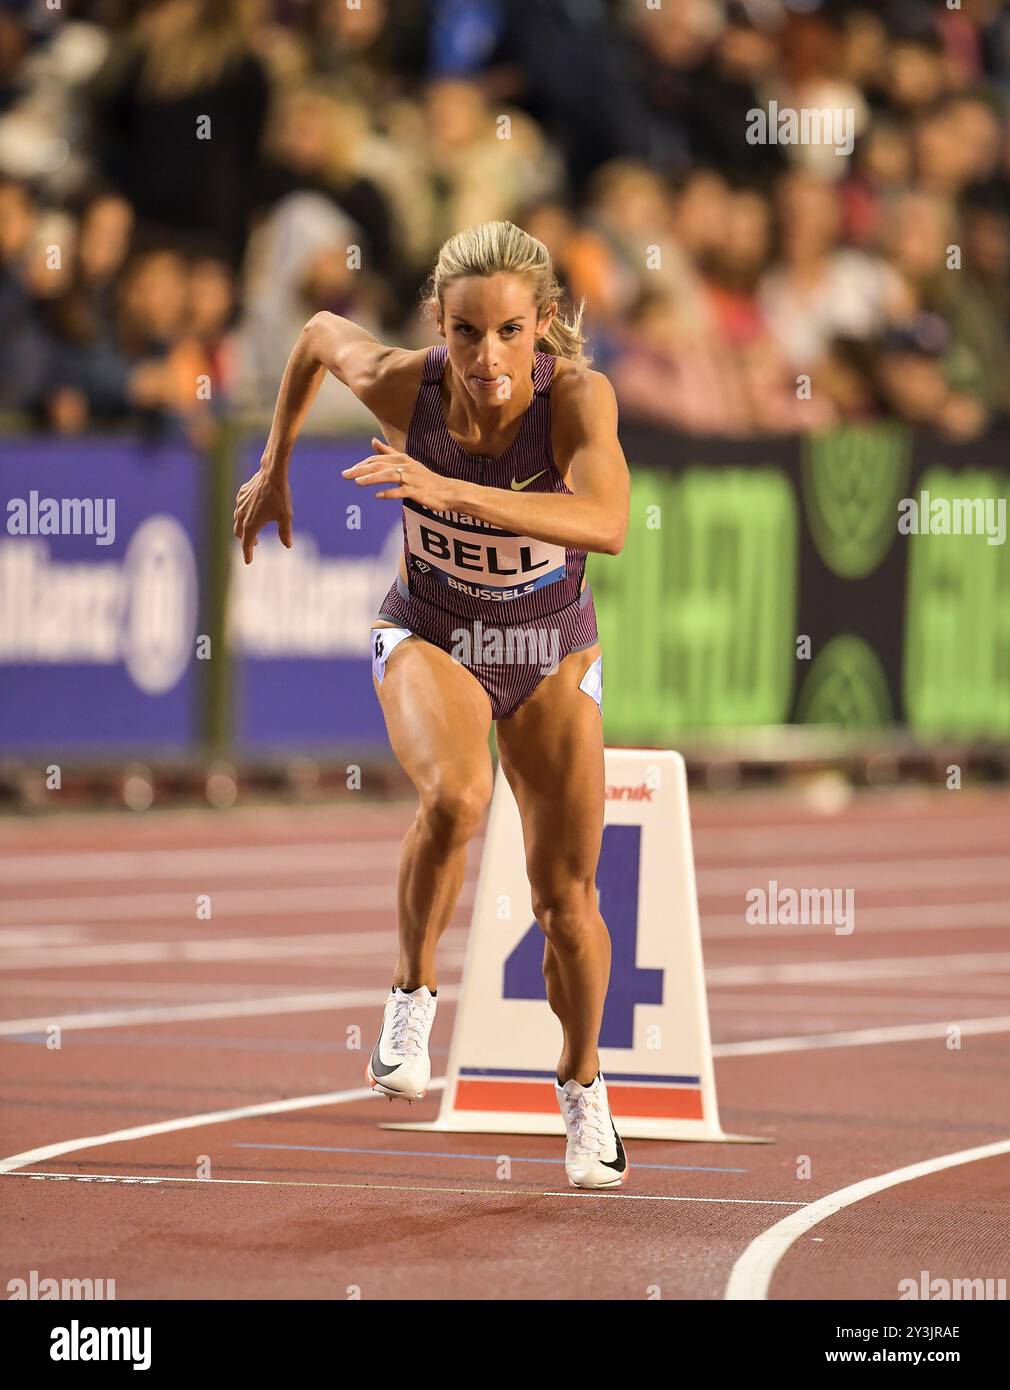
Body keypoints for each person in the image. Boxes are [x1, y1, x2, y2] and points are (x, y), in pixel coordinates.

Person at [233, 220, 631, 1188]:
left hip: (547, 654)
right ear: (436, 324)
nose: (486, 358)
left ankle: (580, 1086)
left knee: (565, 905)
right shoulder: (406, 384)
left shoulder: (577, 397)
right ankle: (411, 993)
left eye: (507, 332)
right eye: (464, 333)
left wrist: (447, 490)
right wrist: (274, 463)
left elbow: (606, 524)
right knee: (455, 797)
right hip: (432, 633)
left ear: (541, 323)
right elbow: (320, 333)